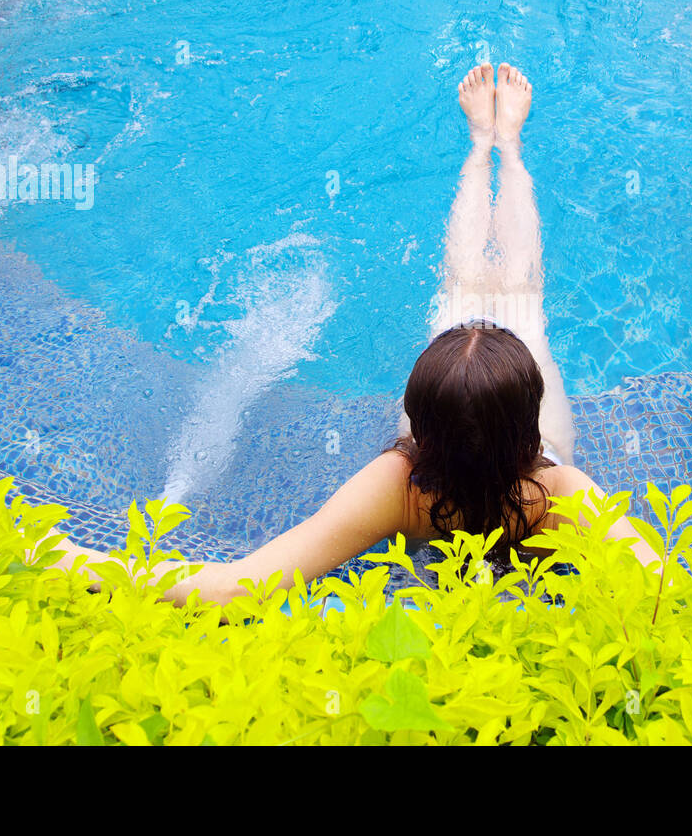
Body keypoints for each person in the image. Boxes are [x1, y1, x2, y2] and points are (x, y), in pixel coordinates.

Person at [41, 63, 655, 605]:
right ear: (532, 419)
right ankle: (506, 146)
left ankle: (485, 145)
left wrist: (59, 556)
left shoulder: (399, 488)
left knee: (467, 287)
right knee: (517, 289)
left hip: (455, 449)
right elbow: (671, 594)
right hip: (525, 455)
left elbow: (233, 587)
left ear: (416, 420)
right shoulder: (559, 494)